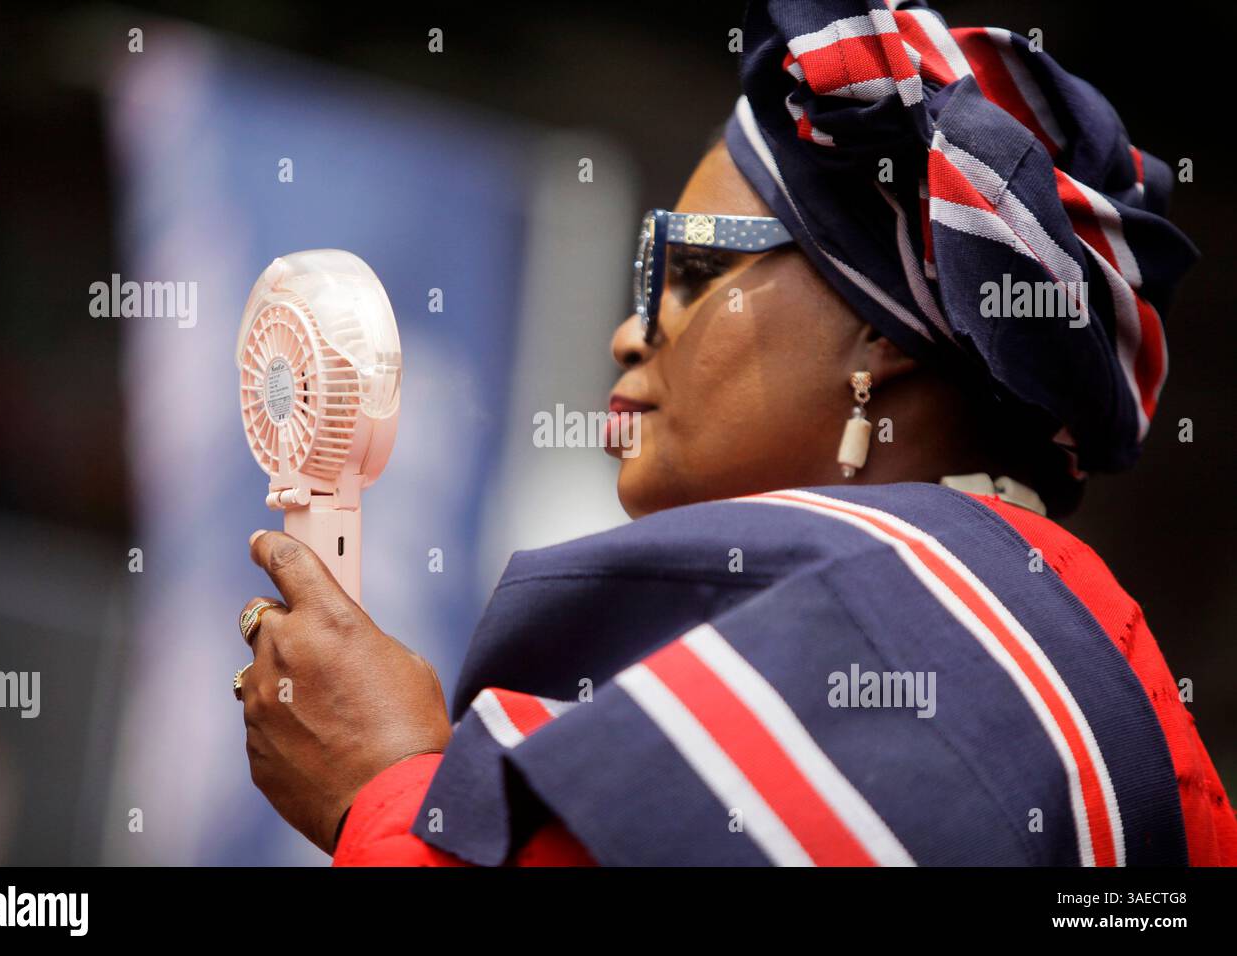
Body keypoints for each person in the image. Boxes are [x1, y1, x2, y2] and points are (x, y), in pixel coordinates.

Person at [233, 0, 1237, 866]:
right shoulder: (1065, 643)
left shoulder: (890, 620)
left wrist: (385, 785)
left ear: (880, 334)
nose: (630, 330)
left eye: (695, 270)